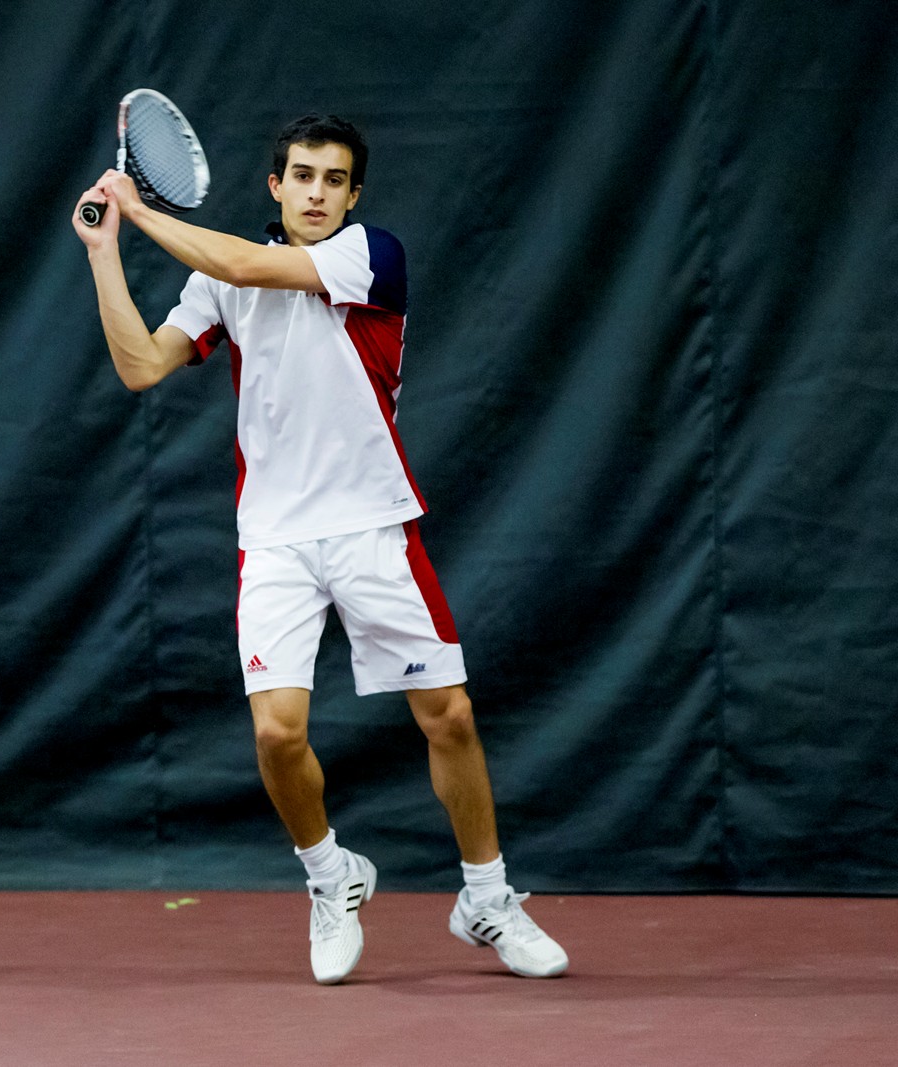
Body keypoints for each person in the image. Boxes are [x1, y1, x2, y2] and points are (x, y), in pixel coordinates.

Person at [72, 113, 567, 985]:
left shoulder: (367, 257)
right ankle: (332, 877)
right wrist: (106, 252)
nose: (315, 192)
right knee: (276, 732)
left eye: (333, 179)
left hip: (374, 526)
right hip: (273, 541)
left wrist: (141, 213)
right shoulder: (221, 287)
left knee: (447, 714)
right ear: (275, 185)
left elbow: (239, 261)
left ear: (352, 195)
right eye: (301, 175)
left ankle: (486, 898)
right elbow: (143, 364)